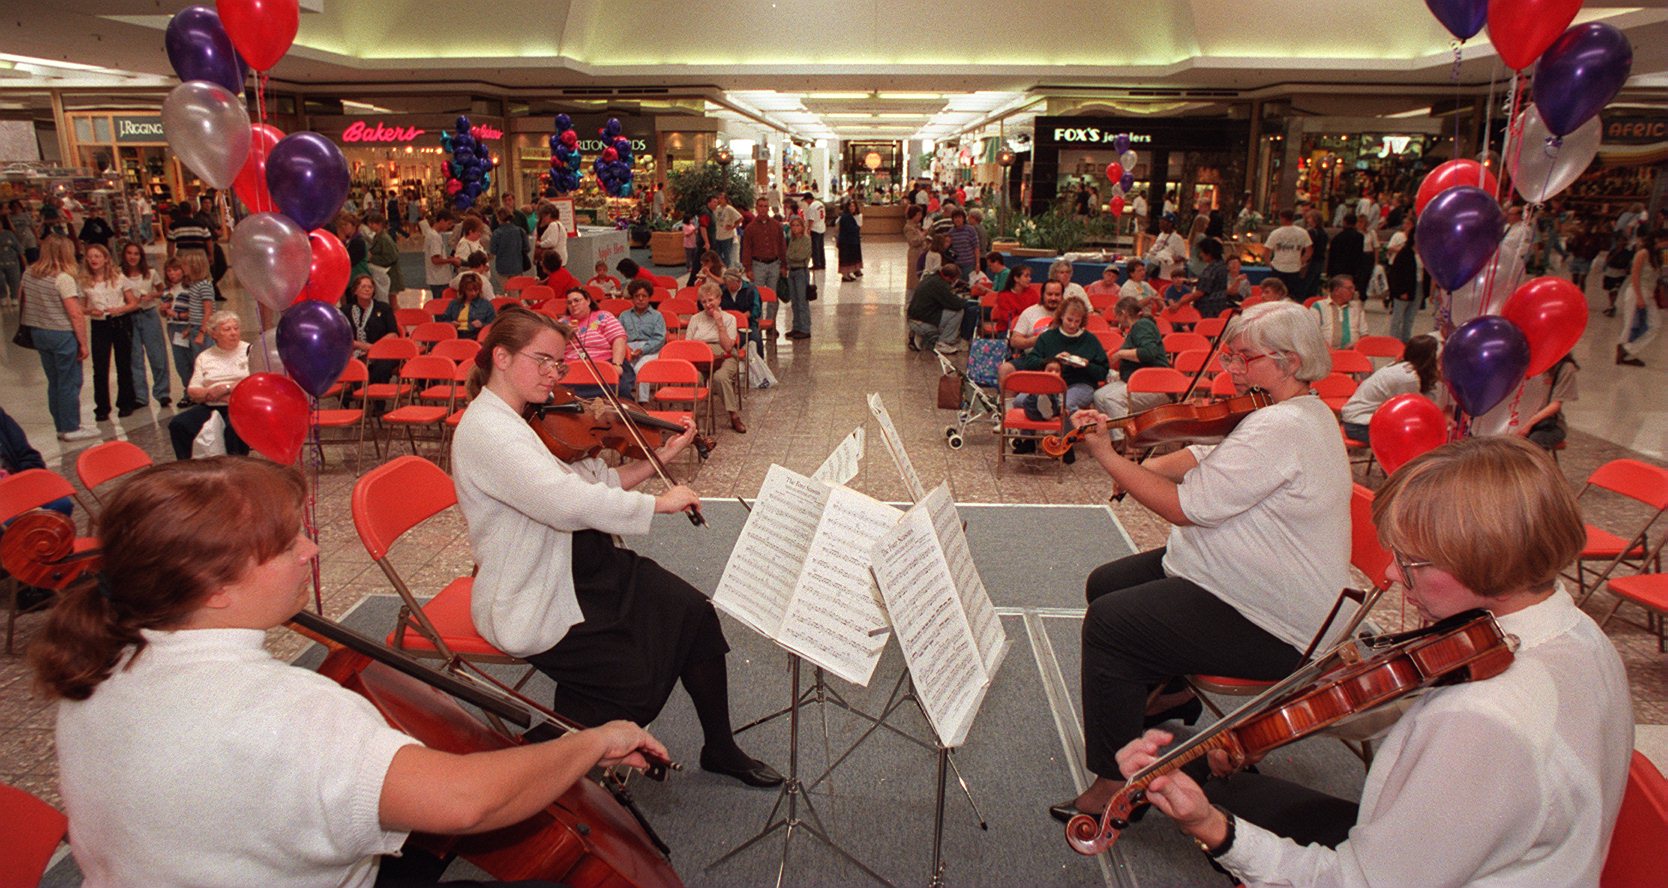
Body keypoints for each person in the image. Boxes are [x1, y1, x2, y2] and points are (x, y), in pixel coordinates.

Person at [32, 455, 667, 886]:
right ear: (214, 587)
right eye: (287, 547)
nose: (312, 550)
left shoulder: (100, 662)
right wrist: (592, 740)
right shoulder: (290, 710)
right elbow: (469, 803)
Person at [1122, 435, 1630, 886]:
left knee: (1230, 810)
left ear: (1485, 560)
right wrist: (1281, 725)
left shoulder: (1483, 720)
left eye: (1410, 562)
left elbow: (1356, 882)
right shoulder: (1577, 633)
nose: (1390, 571)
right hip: (1513, 854)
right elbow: (1406, 701)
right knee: (1243, 790)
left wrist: (1211, 828)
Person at [449, 308, 774, 789]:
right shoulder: (489, 432)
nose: (553, 375)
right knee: (634, 683)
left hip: (587, 565)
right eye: (543, 361)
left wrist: (659, 457)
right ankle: (528, 768)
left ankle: (720, 747)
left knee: (692, 613)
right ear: (500, 356)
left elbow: (597, 481)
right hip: (537, 589)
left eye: (558, 365)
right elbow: (563, 503)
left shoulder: (527, 418)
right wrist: (657, 507)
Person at [1055, 300, 1350, 823]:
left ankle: (1114, 786)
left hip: (1276, 621)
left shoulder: (1284, 426)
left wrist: (1109, 457)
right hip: (1235, 580)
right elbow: (1199, 457)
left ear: (1289, 362)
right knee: (1108, 582)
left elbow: (1185, 508)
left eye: (1244, 358)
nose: (1230, 369)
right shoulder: (1281, 410)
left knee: (1111, 624)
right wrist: (1137, 452)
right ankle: (1167, 695)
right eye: (1230, 356)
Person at [1008, 294, 1108, 463]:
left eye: (1077, 321)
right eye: (1069, 320)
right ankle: (1029, 440)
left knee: (1066, 404)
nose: (1072, 325)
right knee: (1020, 400)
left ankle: (1066, 443)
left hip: (1079, 384)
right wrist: (1052, 361)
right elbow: (1031, 362)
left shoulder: (1090, 340)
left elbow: (1102, 371)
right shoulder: (1048, 337)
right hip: (1048, 385)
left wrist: (1086, 365)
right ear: (1061, 316)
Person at [19, 236, 97, 442]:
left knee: (54, 381)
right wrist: (83, 343)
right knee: (70, 381)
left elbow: (22, 298)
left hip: (39, 331)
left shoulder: (29, 272)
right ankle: (71, 426)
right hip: (61, 333)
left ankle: (61, 425)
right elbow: (74, 313)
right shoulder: (63, 278)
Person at [168, 311, 251, 459]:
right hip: (212, 403)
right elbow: (193, 390)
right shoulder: (205, 357)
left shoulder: (249, 351)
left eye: (236, 328)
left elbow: (256, 380)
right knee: (179, 424)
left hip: (242, 405)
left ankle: (235, 470)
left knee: (232, 429)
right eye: (227, 329)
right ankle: (188, 469)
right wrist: (211, 393)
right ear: (214, 334)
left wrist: (226, 388)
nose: (233, 333)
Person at [1339, 333, 1441, 444]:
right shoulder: (1409, 378)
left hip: (1356, 419)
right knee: (1413, 437)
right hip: (1359, 425)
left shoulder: (1400, 366)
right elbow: (1413, 411)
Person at [80, 243, 142, 422]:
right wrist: (91, 311)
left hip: (119, 321)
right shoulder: (85, 282)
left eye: (97, 256)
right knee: (100, 366)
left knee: (123, 363)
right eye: (90, 256)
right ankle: (102, 407)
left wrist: (119, 308)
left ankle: (126, 402)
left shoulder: (118, 278)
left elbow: (133, 303)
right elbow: (81, 307)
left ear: (106, 259)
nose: (93, 260)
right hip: (99, 324)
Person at [1091, 296, 1172, 423]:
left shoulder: (1143, 325)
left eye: (1117, 316)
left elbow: (1148, 353)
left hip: (1155, 385)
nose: (1116, 320)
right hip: (1138, 380)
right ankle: (1113, 437)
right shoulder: (1137, 328)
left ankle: (1125, 439)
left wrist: (1120, 354)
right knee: (1099, 396)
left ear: (1123, 313)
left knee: (1112, 399)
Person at [686, 282, 748, 433]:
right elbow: (687, 344)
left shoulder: (730, 319)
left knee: (720, 377)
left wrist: (719, 323)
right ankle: (694, 418)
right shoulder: (695, 319)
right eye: (704, 301)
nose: (708, 304)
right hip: (700, 355)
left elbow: (728, 346)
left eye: (711, 300)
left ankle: (733, 416)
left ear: (719, 299)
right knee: (697, 378)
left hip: (724, 354)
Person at [118, 241, 170, 410]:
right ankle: (140, 396)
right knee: (135, 358)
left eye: (136, 254)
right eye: (129, 253)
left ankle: (162, 392)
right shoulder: (119, 275)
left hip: (148, 315)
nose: (133, 257)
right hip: (129, 317)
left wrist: (153, 295)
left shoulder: (151, 274)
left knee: (157, 355)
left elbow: (163, 291)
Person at [167, 253, 215, 407]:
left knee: (203, 362)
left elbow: (208, 311)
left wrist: (201, 331)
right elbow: (195, 312)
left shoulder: (204, 286)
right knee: (194, 361)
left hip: (203, 331)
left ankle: (208, 393)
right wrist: (190, 328)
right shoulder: (194, 286)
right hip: (193, 328)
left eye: (185, 266)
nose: (183, 269)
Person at [341, 274, 401, 387]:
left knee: (381, 367)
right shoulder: (345, 311)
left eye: (370, 287)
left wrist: (374, 348)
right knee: (346, 365)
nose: (367, 289)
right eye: (363, 287)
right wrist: (360, 345)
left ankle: (377, 400)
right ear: (355, 291)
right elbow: (341, 337)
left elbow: (393, 334)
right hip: (355, 351)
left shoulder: (384, 308)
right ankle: (352, 396)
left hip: (383, 352)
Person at [1616, 228, 1660, 367]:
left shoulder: (1662, 255)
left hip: (1650, 292)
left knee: (1655, 325)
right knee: (1630, 324)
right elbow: (1634, 275)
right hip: (1636, 291)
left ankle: (1627, 349)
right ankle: (1624, 353)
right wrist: (1639, 297)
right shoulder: (1642, 253)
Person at [618, 279, 665, 400]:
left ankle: (642, 401)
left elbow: (659, 338)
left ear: (649, 298)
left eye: (644, 296)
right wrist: (626, 350)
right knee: (623, 369)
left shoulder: (657, 316)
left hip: (650, 350)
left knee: (640, 369)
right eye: (637, 296)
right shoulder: (624, 315)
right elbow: (618, 336)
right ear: (632, 298)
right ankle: (625, 400)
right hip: (627, 349)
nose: (640, 299)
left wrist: (643, 350)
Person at [907, 263, 968, 355]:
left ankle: (921, 336)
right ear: (948, 277)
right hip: (922, 321)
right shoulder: (939, 285)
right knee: (958, 313)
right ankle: (944, 342)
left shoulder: (931, 278)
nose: (954, 281)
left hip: (915, 317)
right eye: (954, 279)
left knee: (946, 316)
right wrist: (967, 301)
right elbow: (956, 304)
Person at [740, 197, 785, 305]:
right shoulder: (750, 228)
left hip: (774, 264)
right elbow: (746, 249)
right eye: (760, 206)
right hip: (758, 265)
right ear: (756, 208)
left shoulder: (777, 225)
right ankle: (758, 321)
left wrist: (784, 265)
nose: (763, 209)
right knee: (757, 296)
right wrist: (748, 268)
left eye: (765, 206)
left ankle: (772, 320)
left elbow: (782, 245)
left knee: (773, 296)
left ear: (768, 208)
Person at [1312, 275, 1366, 349]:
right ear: (1337, 290)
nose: (1353, 291)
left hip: (1353, 353)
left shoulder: (1357, 307)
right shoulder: (1318, 307)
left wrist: (1356, 346)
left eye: (1353, 288)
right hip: (1324, 353)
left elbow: (1364, 334)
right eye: (1349, 288)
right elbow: (1312, 334)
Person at [720, 267, 763, 356]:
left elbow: (756, 310)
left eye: (731, 285)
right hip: (727, 324)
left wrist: (742, 317)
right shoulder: (722, 290)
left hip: (749, 324)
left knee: (755, 339)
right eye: (727, 285)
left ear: (738, 282)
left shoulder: (751, 290)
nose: (729, 287)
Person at [442, 272, 495, 340]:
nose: (473, 293)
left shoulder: (486, 305)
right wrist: (450, 324)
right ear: (463, 290)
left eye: (476, 290)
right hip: (456, 336)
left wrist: (482, 325)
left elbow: (493, 325)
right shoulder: (454, 304)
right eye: (470, 290)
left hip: (476, 336)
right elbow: (444, 321)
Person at [363, 213, 405, 301]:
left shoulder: (384, 239)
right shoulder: (378, 237)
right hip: (385, 274)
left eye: (372, 223)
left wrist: (372, 258)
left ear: (379, 224)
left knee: (392, 301)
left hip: (391, 274)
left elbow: (391, 257)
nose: (369, 226)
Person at [784, 215, 813, 340]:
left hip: (801, 271)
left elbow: (800, 255)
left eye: (797, 225)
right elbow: (788, 254)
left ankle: (805, 328)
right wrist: (791, 256)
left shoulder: (806, 240)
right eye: (793, 225)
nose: (795, 228)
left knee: (802, 301)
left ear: (802, 227)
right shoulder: (792, 240)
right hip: (792, 272)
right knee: (794, 301)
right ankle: (796, 326)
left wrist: (792, 256)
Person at [420, 210, 460, 302]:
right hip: (439, 279)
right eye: (448, 223)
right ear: (441, 221)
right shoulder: (434, 237)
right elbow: (435, 260)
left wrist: (448, 259)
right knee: (442, 307)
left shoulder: (432, 234)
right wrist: (451, 261)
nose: (449, 227)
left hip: (436, 278)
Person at [489, 208, 529, 293]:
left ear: (499, 218)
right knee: (515, 291)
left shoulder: (497, 233)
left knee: (506, 290)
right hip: (517, 265)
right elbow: (527, 248)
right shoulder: (520, 230)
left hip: (502, 266)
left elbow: (493, 250)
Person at [1143, 213, 1186, 285]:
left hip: (1168, 277)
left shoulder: (1177, 238)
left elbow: (1182, 257)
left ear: (1170, 224)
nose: (1160, 222)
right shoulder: (1161, 235)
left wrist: (1168, 259)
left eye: (1163, 221)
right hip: (1156, 274)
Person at [991, 264, 1036, 333]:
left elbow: (1036, 311)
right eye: (1026, 276)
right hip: (1007, 330)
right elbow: (1008, 318)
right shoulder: (1003, 296)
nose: (1030, 279)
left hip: (1029, 329)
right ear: (1016, 278)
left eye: (1030, 276)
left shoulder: (1032, 292)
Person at [836, 199, 863, 282]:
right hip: (846, 241)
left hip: (850, 241)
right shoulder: (846, 217)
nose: (852, 208)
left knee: (849, 257)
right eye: (850, 206)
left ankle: (848, 273)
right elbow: (850, 228)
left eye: (853, 206)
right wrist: (857, 228)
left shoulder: (851, 216)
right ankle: (845, 275)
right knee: (845, 258)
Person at [0, 214, 24, 306]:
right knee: (0, 279)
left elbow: (18, 247)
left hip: (12, 261)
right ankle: (2, 296)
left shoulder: (8, 234)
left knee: (14, 280)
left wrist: (23, 258)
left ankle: (14, 297)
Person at [903, 204, 928, 292]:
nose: (920, 217)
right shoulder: (909, 227)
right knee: (914, 275)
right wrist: (923, 235)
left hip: (921, 252)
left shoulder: (917, 226)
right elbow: (913, 241)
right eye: (919, 215)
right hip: (915, 253)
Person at [804, 192, 828, 270]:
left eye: (806, 201)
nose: (806, 202)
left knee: (815, 248)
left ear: (808, 199)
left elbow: (811, 219)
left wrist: (809, 229)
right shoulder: (820, 204)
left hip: (815, 229)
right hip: (822, 227)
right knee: (821, 247)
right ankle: (822, 263)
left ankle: (816, 264)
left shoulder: (812, 207)